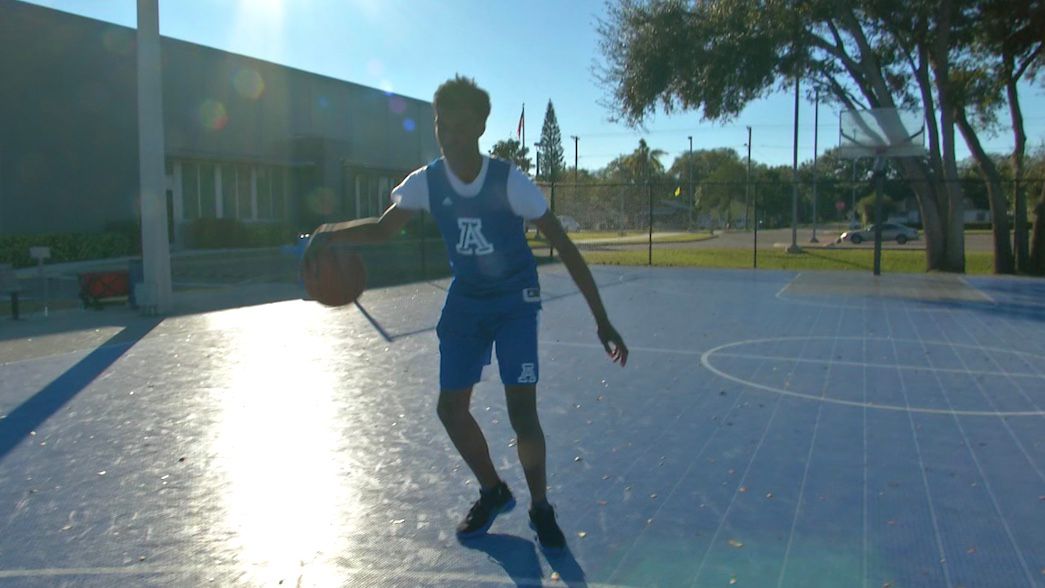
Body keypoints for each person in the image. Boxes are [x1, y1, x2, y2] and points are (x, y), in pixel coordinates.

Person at [303, 75, 628, 552]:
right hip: (468, 299)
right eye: (441, 126)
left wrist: (601, 318)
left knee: (522, 412)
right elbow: (382, 228)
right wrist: (331, 232)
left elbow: (565, 247)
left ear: (479, 126)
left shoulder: (509, 181)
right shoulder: (427, 181)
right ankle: (494, 490)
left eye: (459, 127)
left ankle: (540, 507)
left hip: (515, 300)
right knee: (450, 409)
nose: (450, 136)